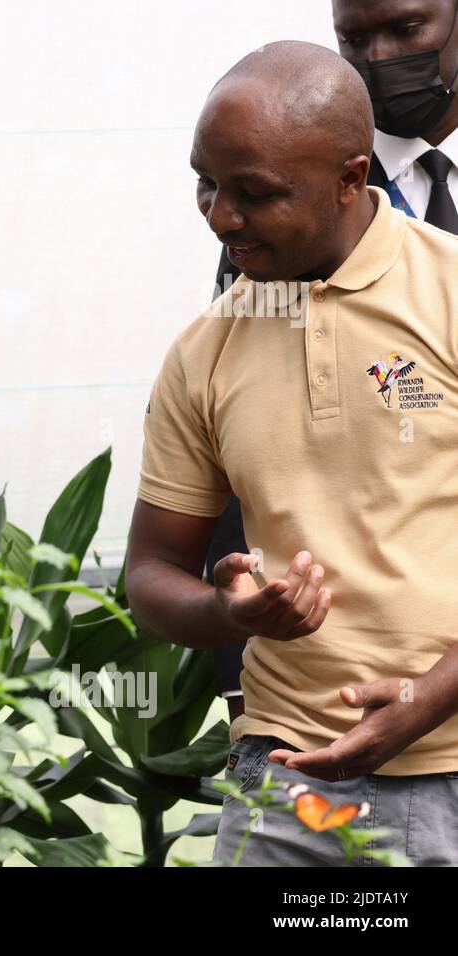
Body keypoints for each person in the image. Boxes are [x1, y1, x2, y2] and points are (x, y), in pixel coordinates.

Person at [128, 41, 458, 865]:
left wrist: (434, 696)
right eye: (206, 182)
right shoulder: (205, 349)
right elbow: (151, 571)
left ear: (353, 179)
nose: (218, 217)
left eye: (255, 194)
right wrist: (225, 613)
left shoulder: (450, 294)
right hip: (285, 791)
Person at [207, 0, 458, 727]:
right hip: (324, 697)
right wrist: (238, 664)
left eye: (406, 31)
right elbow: (242, 439)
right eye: (353, 38)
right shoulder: (285, 192)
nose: (378, 58)